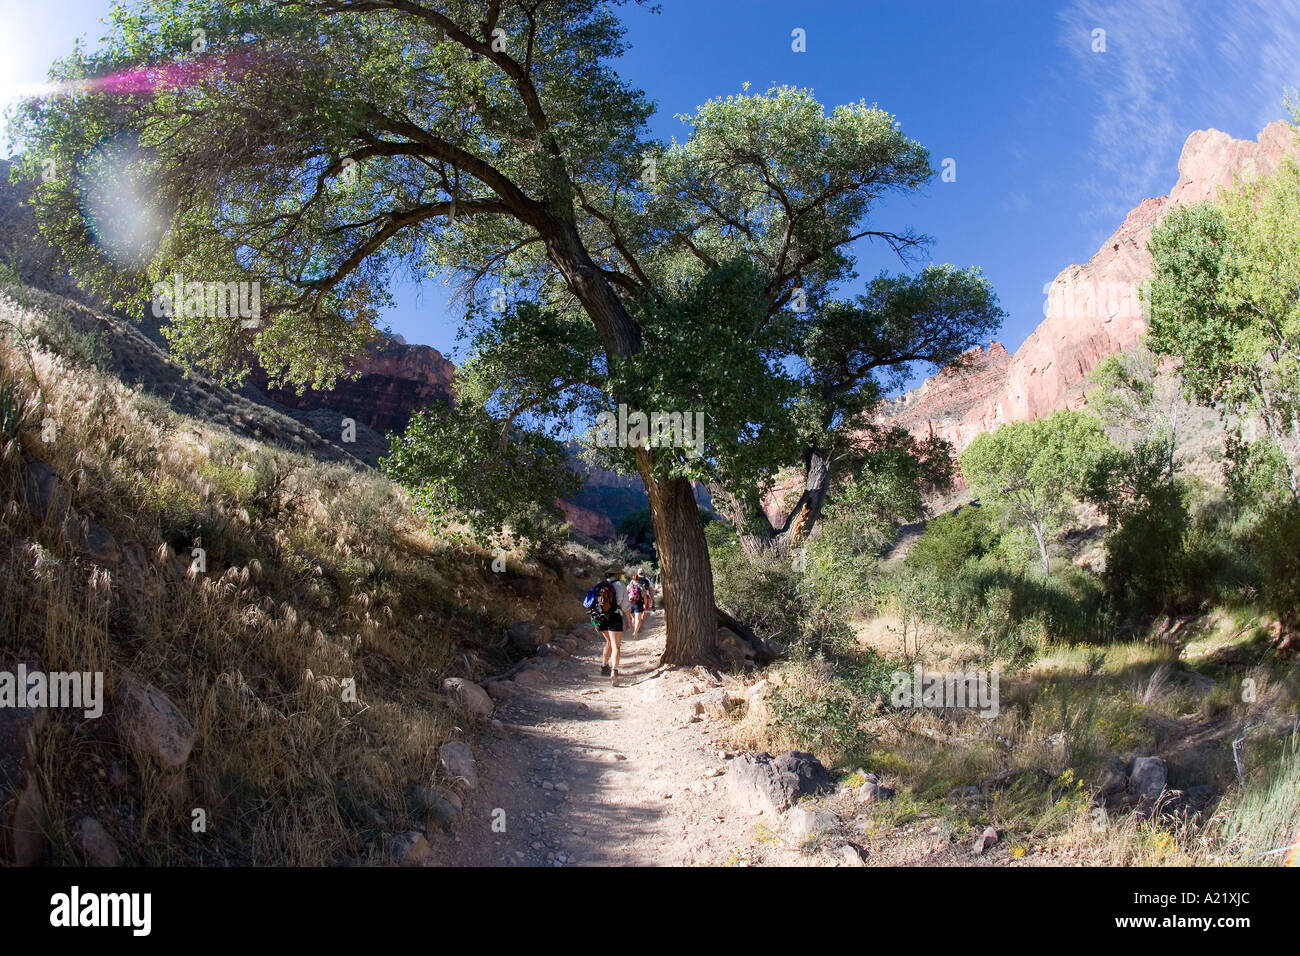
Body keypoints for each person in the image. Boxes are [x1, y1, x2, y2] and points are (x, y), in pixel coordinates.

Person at [584, 569, 626, 686]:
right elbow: (625, 604)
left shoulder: (600, 586)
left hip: (600, 618)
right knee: (616, 645)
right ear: (617, 574)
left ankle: (604, 665)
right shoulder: (620, 585)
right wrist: (629, 618)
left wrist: (595, 622)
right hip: (614, 616)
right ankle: (614, 671)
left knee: (608, 641)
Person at [627, 569, 646, 636]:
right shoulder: (641, 587)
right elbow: (644, 597)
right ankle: (635, 632)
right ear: (638, 579)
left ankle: (634, 630)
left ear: (632, 579)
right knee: (638, 619)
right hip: (638, 604)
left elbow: (627, 596)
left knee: (633, 618)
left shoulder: (628, 586)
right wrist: (645, 605)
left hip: (631, 604)